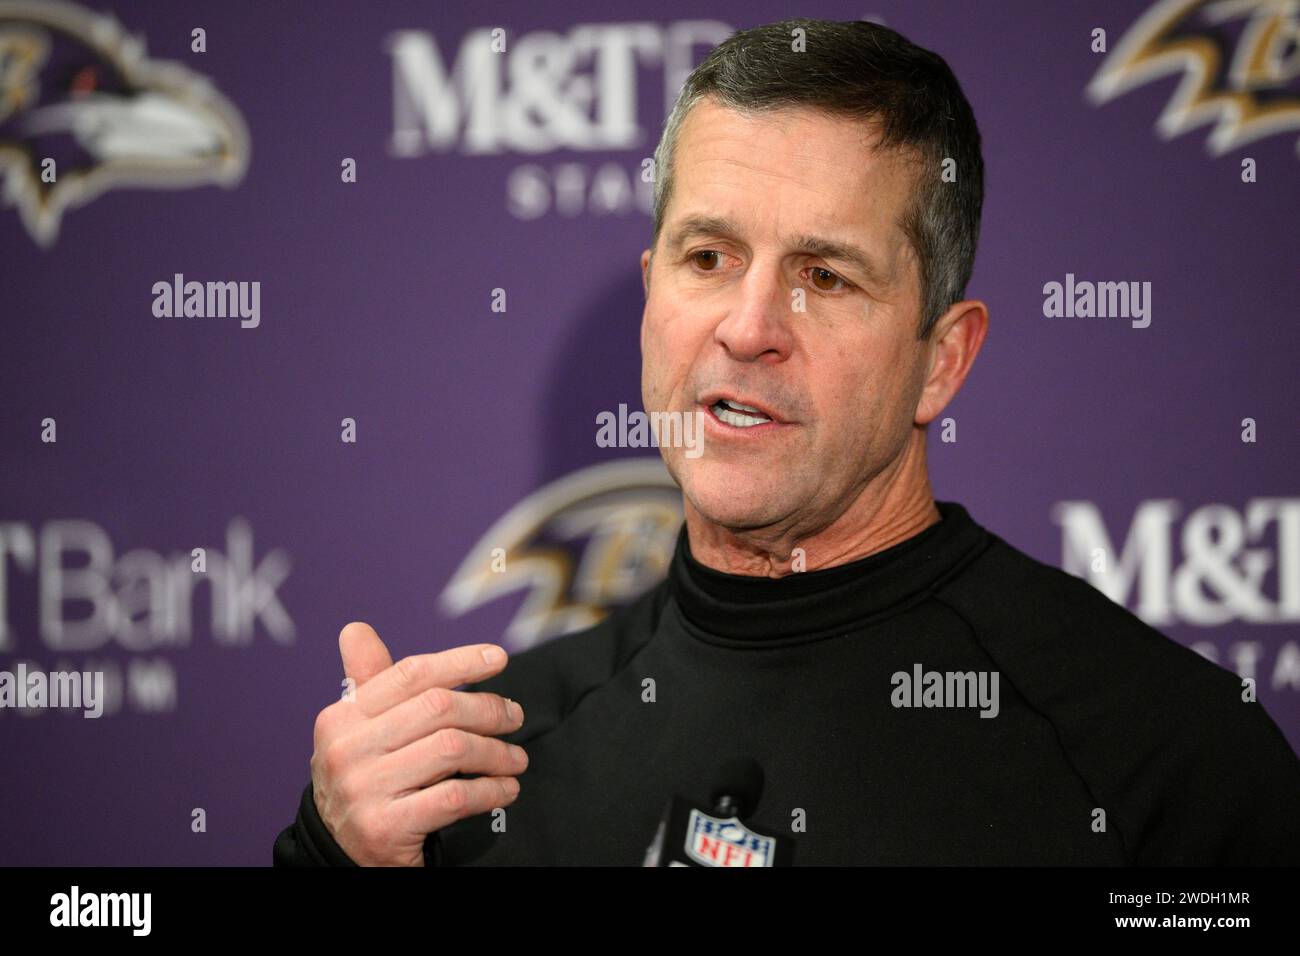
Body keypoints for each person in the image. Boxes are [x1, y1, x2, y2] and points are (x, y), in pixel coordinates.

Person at [273, 17, 1300, 866]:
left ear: (940, 359)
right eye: (708, 256)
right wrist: (331, 857)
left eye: (824, 276)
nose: (749, 324)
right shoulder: (490, 757)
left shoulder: (1161, 763)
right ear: (650, 297)